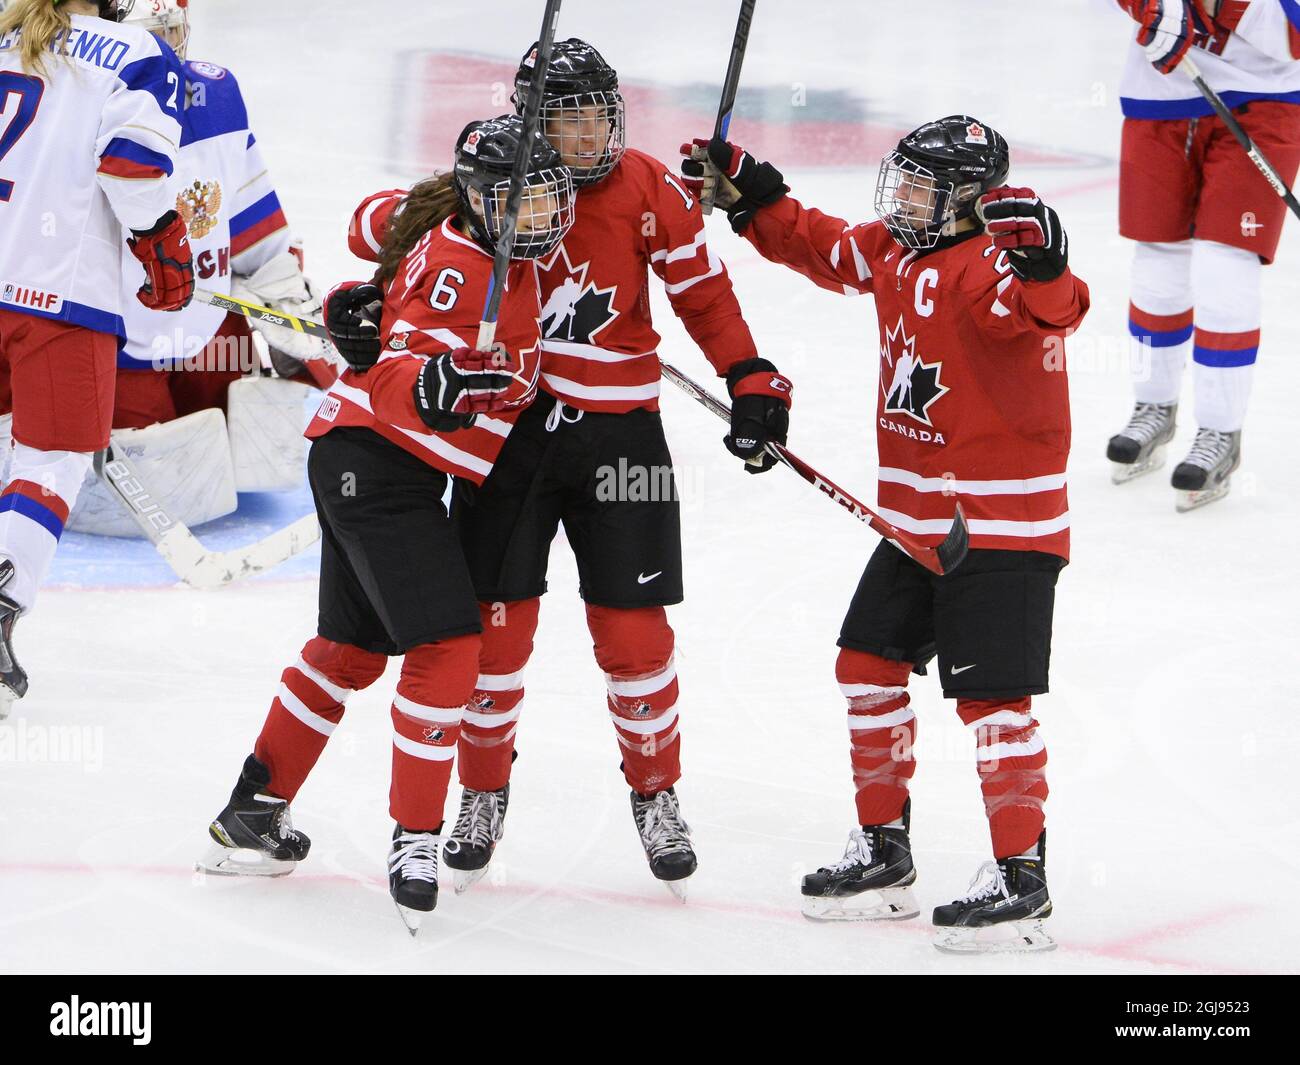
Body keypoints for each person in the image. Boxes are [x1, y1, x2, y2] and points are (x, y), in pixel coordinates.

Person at [334, 39, 791, 900]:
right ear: (530, 120)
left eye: (599, 114)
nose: (589, 135)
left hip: (626, 443)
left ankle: (658, 797)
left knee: (636, 636)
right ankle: (481, 792)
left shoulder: (650, 185)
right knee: (494, 639)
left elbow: (703, 293)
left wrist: (750, 374)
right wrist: (366, 300)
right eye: (568, 116)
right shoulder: (500, 180)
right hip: (510, 439)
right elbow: (387, 234)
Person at [682, 116, 1089, 951]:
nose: (899, 198)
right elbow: (823, 246)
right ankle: (884, 852)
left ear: (970, 201)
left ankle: (1023, 882)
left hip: (998, 525)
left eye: (919, 187)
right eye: (897, 181)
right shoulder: (899, 252)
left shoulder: (990, 268)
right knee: (866, 665)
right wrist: (750, 191)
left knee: (991, 702)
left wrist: (1047, 263)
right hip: (916, 523)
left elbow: (1053, 310)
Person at [199, 116, 573, 933]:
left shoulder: (492, 246)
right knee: (449, 646)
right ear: (479, 201)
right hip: (378, 464)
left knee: (352, 649)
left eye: (547, 199)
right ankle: (415, 837)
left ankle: (253, 811)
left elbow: (372, 224)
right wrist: (427, 383)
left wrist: (352, 300)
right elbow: (401, 357)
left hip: (358, 459)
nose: (541, 217)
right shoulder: (462, 268)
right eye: (521, 202)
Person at [0, 0, 193, 715]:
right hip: (59, 292)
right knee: (50, 460)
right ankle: (0, 614)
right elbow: (133, 165)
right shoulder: (135, 52)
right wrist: (161, 242)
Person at [1105, 0, 1300, 509]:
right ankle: (1154, 405)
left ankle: (1219, 432)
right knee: (1158, 262)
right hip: (1158, 96)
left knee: (1224, 266)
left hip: (1265, 99)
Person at [114, 0, 335, 435]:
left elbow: (246, 203)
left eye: (171, 31)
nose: (165, 49)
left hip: (208, 318)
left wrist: (277, 284)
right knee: (148, 478)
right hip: (113, 335)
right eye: (150, 35)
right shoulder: (83, 106)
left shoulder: (216, 94)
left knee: (242, 455)